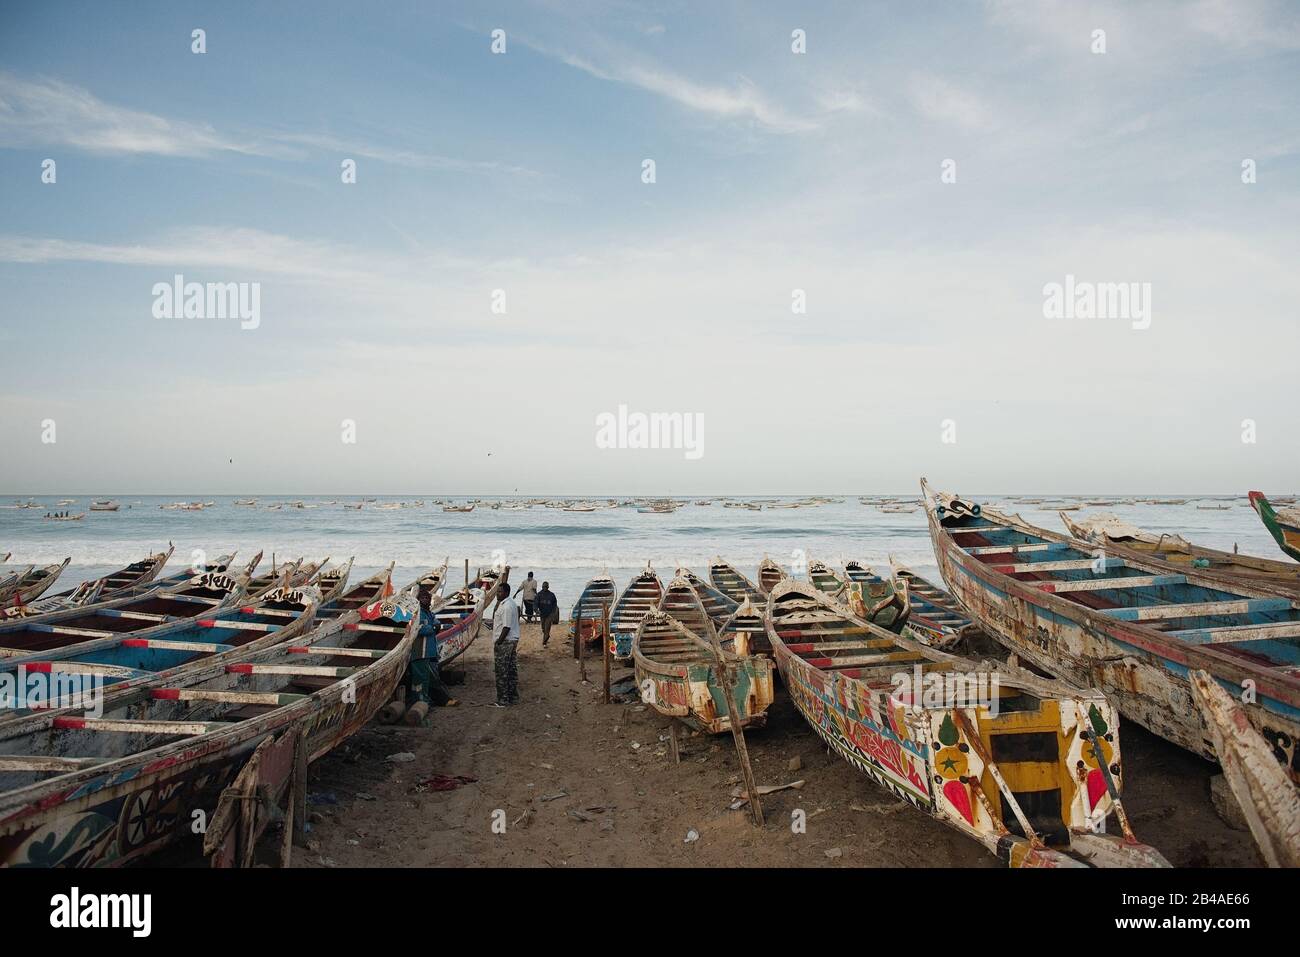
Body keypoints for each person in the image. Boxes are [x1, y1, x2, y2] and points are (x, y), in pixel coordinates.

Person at [406, 589, 458, 718]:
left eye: (427, 598)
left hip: (429, 651)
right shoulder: (417, 613)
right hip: (420, 651)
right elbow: (418, 629)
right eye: (423, 598)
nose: (426, 600)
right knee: (420, 679)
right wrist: (433, 627)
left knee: (429, 678)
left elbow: (436, 623)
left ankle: (427, 700)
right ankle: (419, 701)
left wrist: (434, 626)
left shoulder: (428, 613)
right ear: (418, 600)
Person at [493, 582, 520, 705]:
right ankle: (512, 697)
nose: (497, 594)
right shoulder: (508, 604)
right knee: (510, 670)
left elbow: (507, 627)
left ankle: (503, 700)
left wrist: (499, 642)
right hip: (510, 640)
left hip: (506, 642)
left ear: (506, 593)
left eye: (500, 592)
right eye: (497, 591)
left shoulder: (507, 606)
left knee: (502, 672)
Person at [536, 581, 559, 647]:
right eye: (543, 587)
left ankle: (544, 642)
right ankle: (547, 635)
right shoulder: (539, 594)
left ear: (548, 587)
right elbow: (535, 603)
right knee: (543, 628)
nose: (545, 588)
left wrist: (553, 613)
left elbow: (555, 604)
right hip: (542, 614)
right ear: (542, 587)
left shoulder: (552, 595)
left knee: (547, 627)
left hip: (549, 614)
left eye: (546, 587)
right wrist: (536, 610)